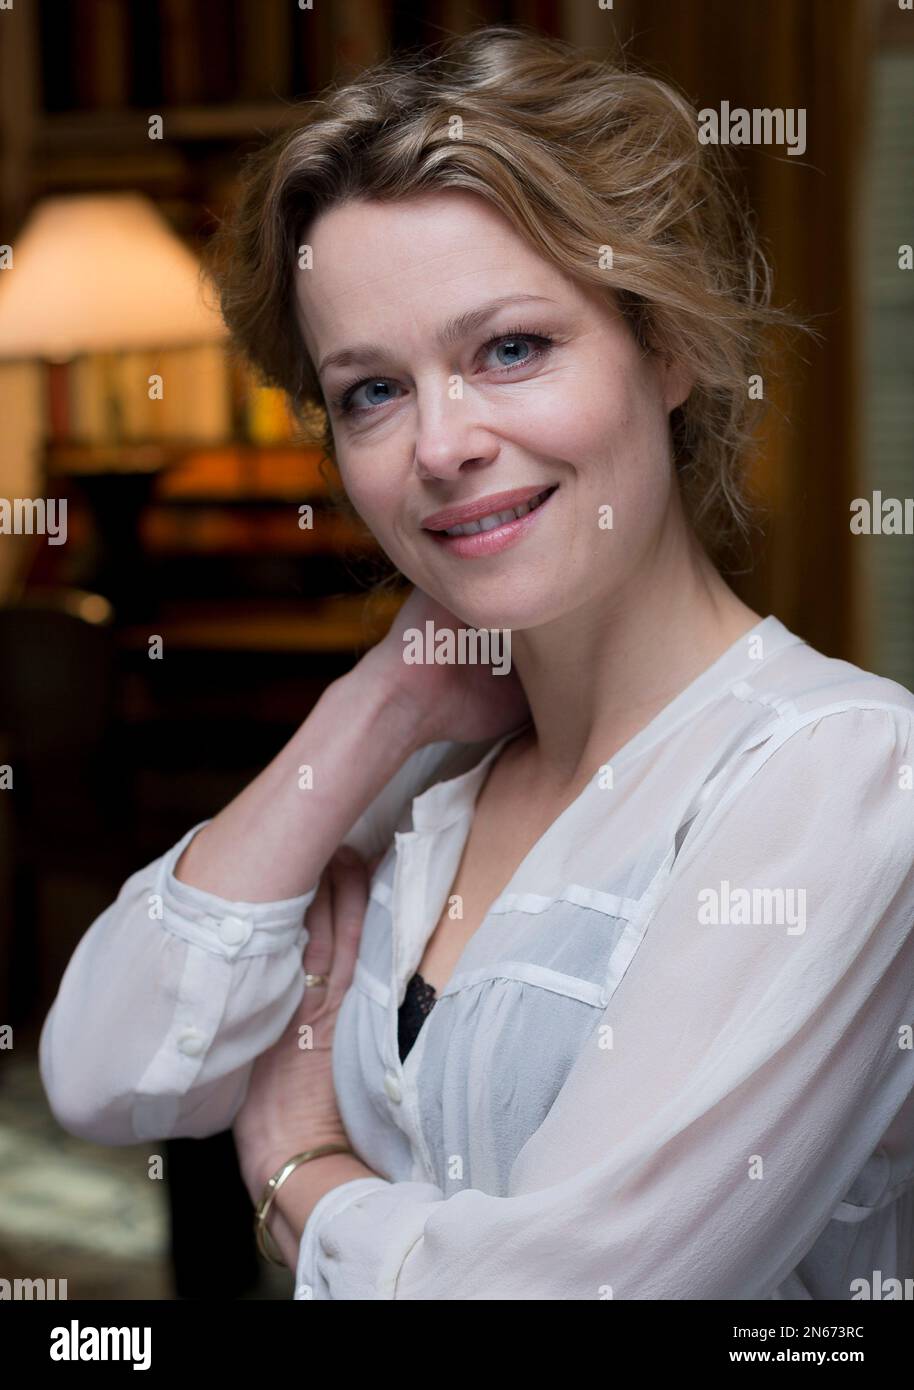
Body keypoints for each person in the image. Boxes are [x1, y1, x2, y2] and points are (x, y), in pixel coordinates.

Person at [40, 26, 914, 1300]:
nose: (439, 446)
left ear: (664, 347)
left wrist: (296, 1171)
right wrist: (376, 705)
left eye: (508, 348)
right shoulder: (426, 784)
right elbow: (104, 1069)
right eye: (371, 392)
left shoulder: (842, 777)